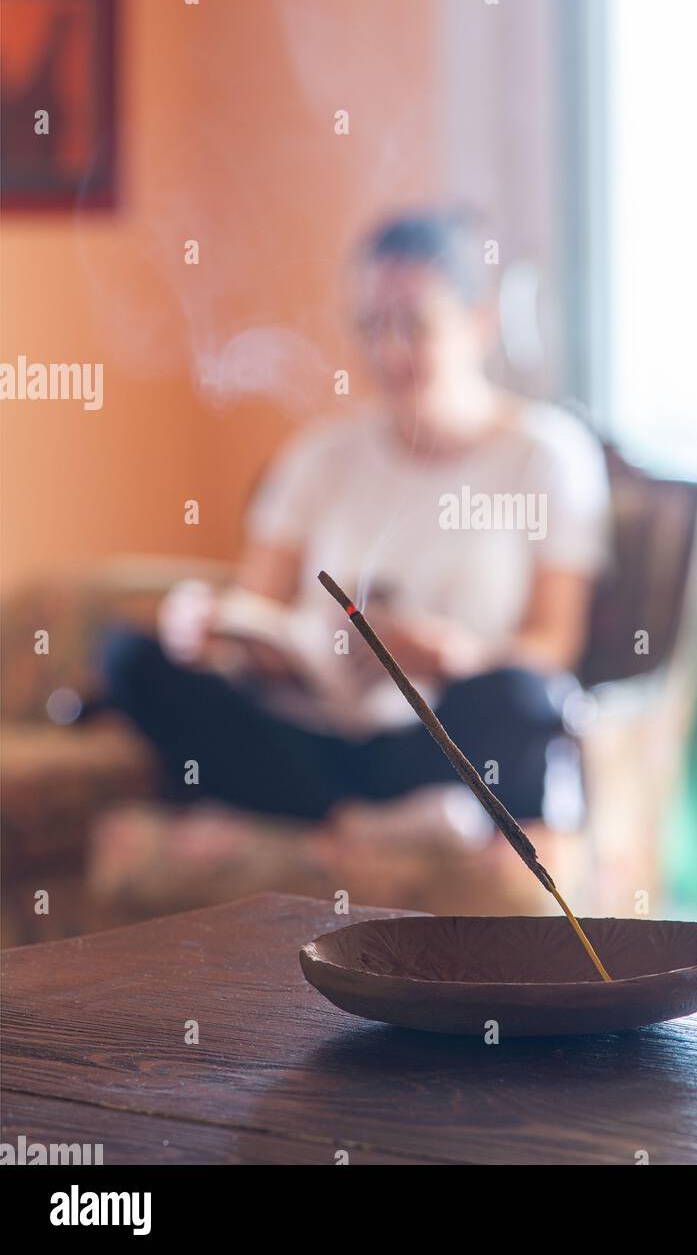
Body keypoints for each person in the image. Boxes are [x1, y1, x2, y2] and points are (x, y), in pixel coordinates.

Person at [103, 210, 610, 827]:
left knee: (519, 699)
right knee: (128, 659)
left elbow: (553, 646)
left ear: (481, 322)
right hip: (319, 736)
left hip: (443, 738)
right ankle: (372, 821)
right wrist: (219, 629)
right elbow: (254, 606)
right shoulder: (321, 456)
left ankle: (358, 818)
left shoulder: (545, 455)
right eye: (371, 326)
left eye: (414, 325)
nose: (388, 350)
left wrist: (455, 656)